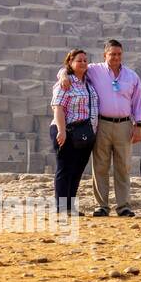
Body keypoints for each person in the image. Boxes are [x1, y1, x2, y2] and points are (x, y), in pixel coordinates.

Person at [57, 39, 141, 217]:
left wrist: (139, 124)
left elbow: (138, 101)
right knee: (100, 166)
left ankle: (123, 206)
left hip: (124, 124)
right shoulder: (94, 70)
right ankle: (102, 206)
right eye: (112, 54)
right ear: (105, 55)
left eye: (119, 54)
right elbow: (73, 67)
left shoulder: (131, 76)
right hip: (101, 124)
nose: (116, 57)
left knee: (123, 167)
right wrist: (62, 75)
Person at [49, 48, 98, 214]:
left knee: (77, 170)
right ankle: (62, 207)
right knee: (65, 168)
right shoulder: (65, 82)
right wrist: (61, 131)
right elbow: (58, 108)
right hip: (67, 130)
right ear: (70, 62)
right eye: (79, 60)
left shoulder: (89, 82)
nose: (83, 63)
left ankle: (70, 206)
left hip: (85, 132)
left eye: (85, 60)